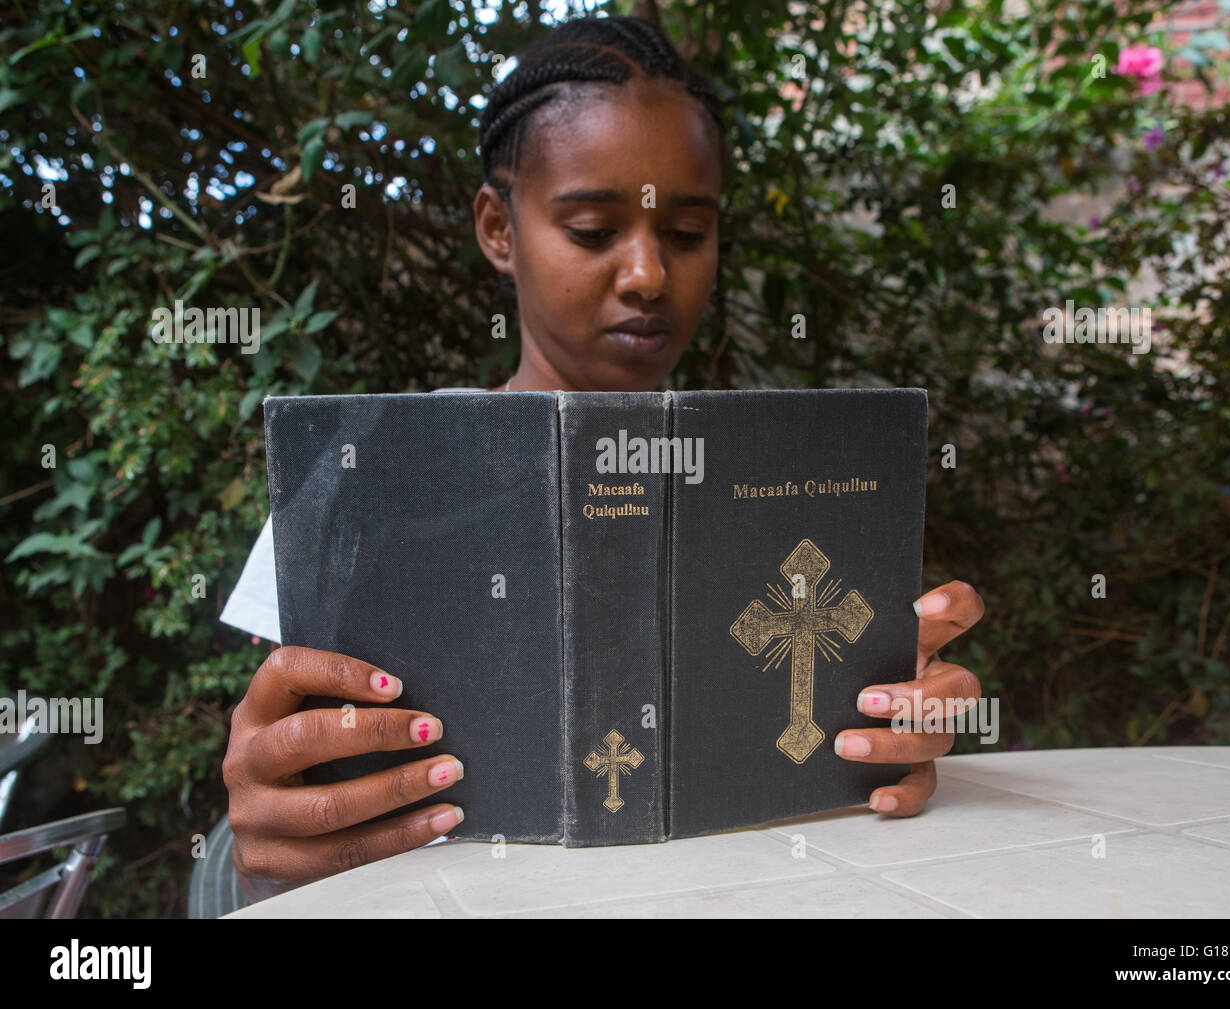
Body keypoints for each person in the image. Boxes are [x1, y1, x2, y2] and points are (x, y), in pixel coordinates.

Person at [221, 13, 985, 903]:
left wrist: (885, 747)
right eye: (591, 229)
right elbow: (269, 780)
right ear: (498, 228)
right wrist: (265, 812)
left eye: (688, 233)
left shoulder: (782, 491)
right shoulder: (366, 476)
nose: (648, 274)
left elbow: (831, 758)